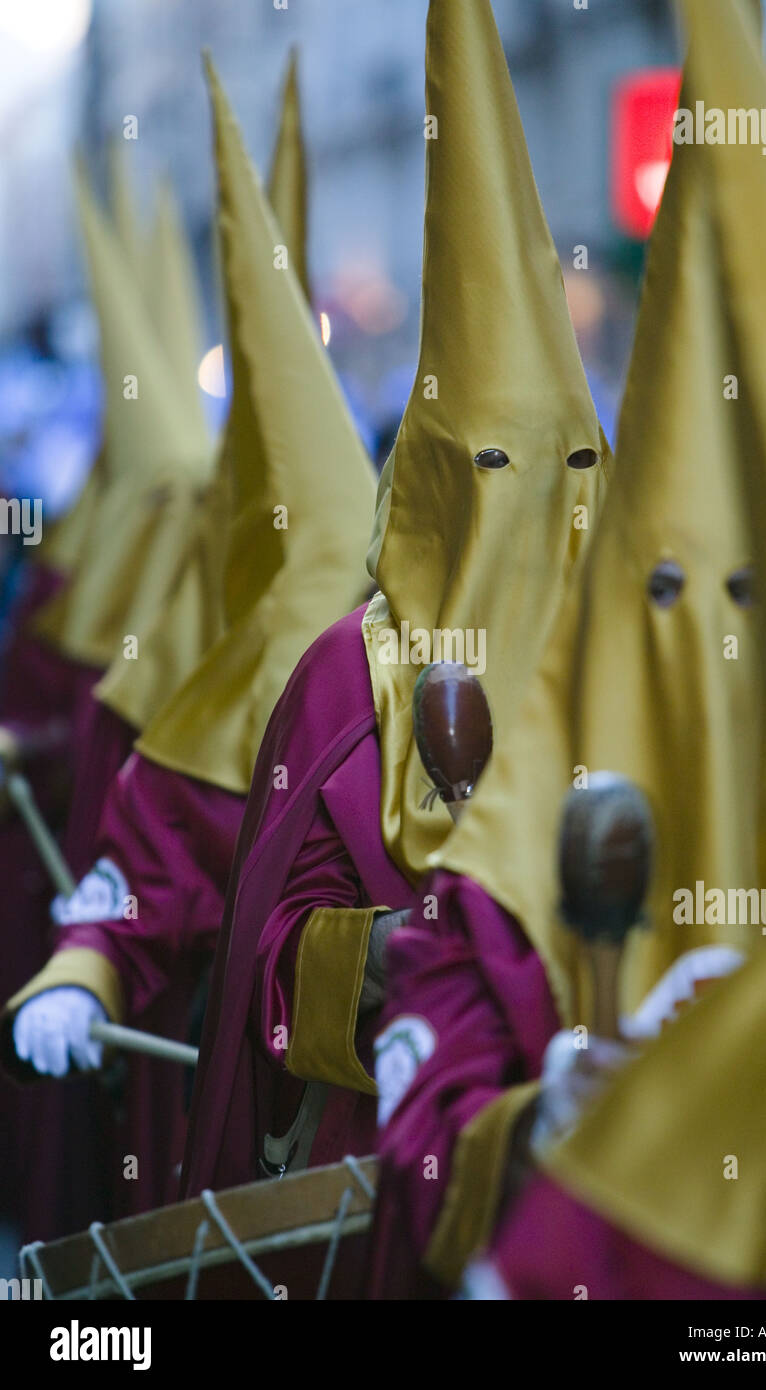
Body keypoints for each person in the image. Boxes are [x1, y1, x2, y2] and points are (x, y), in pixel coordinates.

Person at [368, 0, 766, 1298]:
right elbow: (419, 1086)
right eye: (674, 585)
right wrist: (551, 1114)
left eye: (765, 590)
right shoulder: (514, 835)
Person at [180, 0, 610, 1203]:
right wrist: (397, 957)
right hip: (384, 1168)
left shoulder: (644, 658)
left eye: (571, 464)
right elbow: (266, 946)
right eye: (490, 469)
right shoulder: (341, 677)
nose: (532, 504)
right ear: (424, 479)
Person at [0, 54, 377, 1231]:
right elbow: (140, 880)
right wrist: (80, 967)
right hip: (220, 1103)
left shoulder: (447, 687)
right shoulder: (193, 686)